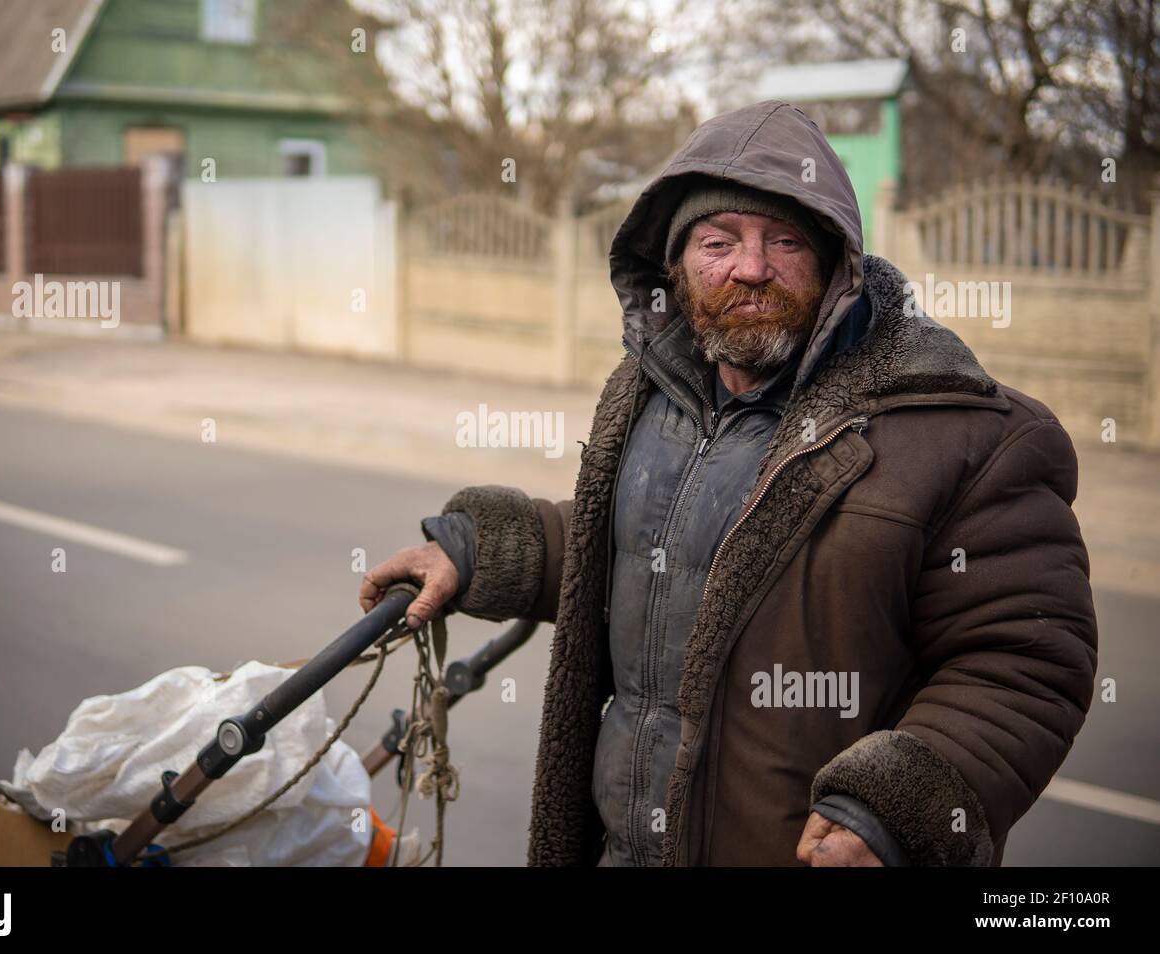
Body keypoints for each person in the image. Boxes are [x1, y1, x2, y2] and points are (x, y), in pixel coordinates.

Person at [360, 101, 1098, 866]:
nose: (751, 267)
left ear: (838, 266)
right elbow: (649, 546)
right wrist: (484, 552)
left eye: (784, 241)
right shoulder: (654, 392)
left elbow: (1024, 662)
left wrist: (892, 810)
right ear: (675, 271)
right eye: (720, 242)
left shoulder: (967, 433)